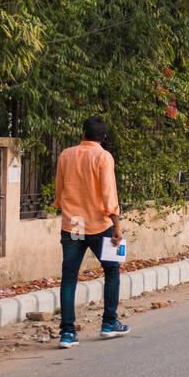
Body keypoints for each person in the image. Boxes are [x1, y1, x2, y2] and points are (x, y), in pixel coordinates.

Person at [53, 116, 128, 347]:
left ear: (82, 133)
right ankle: (109, 323)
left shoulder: (66, 155)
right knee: (112, 270)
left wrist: (62, 206)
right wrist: (116, 225)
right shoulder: (103, 157)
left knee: (69, 278)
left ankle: (67, 333)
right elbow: (108, 193)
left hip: (74, 224)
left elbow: (60, 188)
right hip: (100, 225)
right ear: (103, 137)